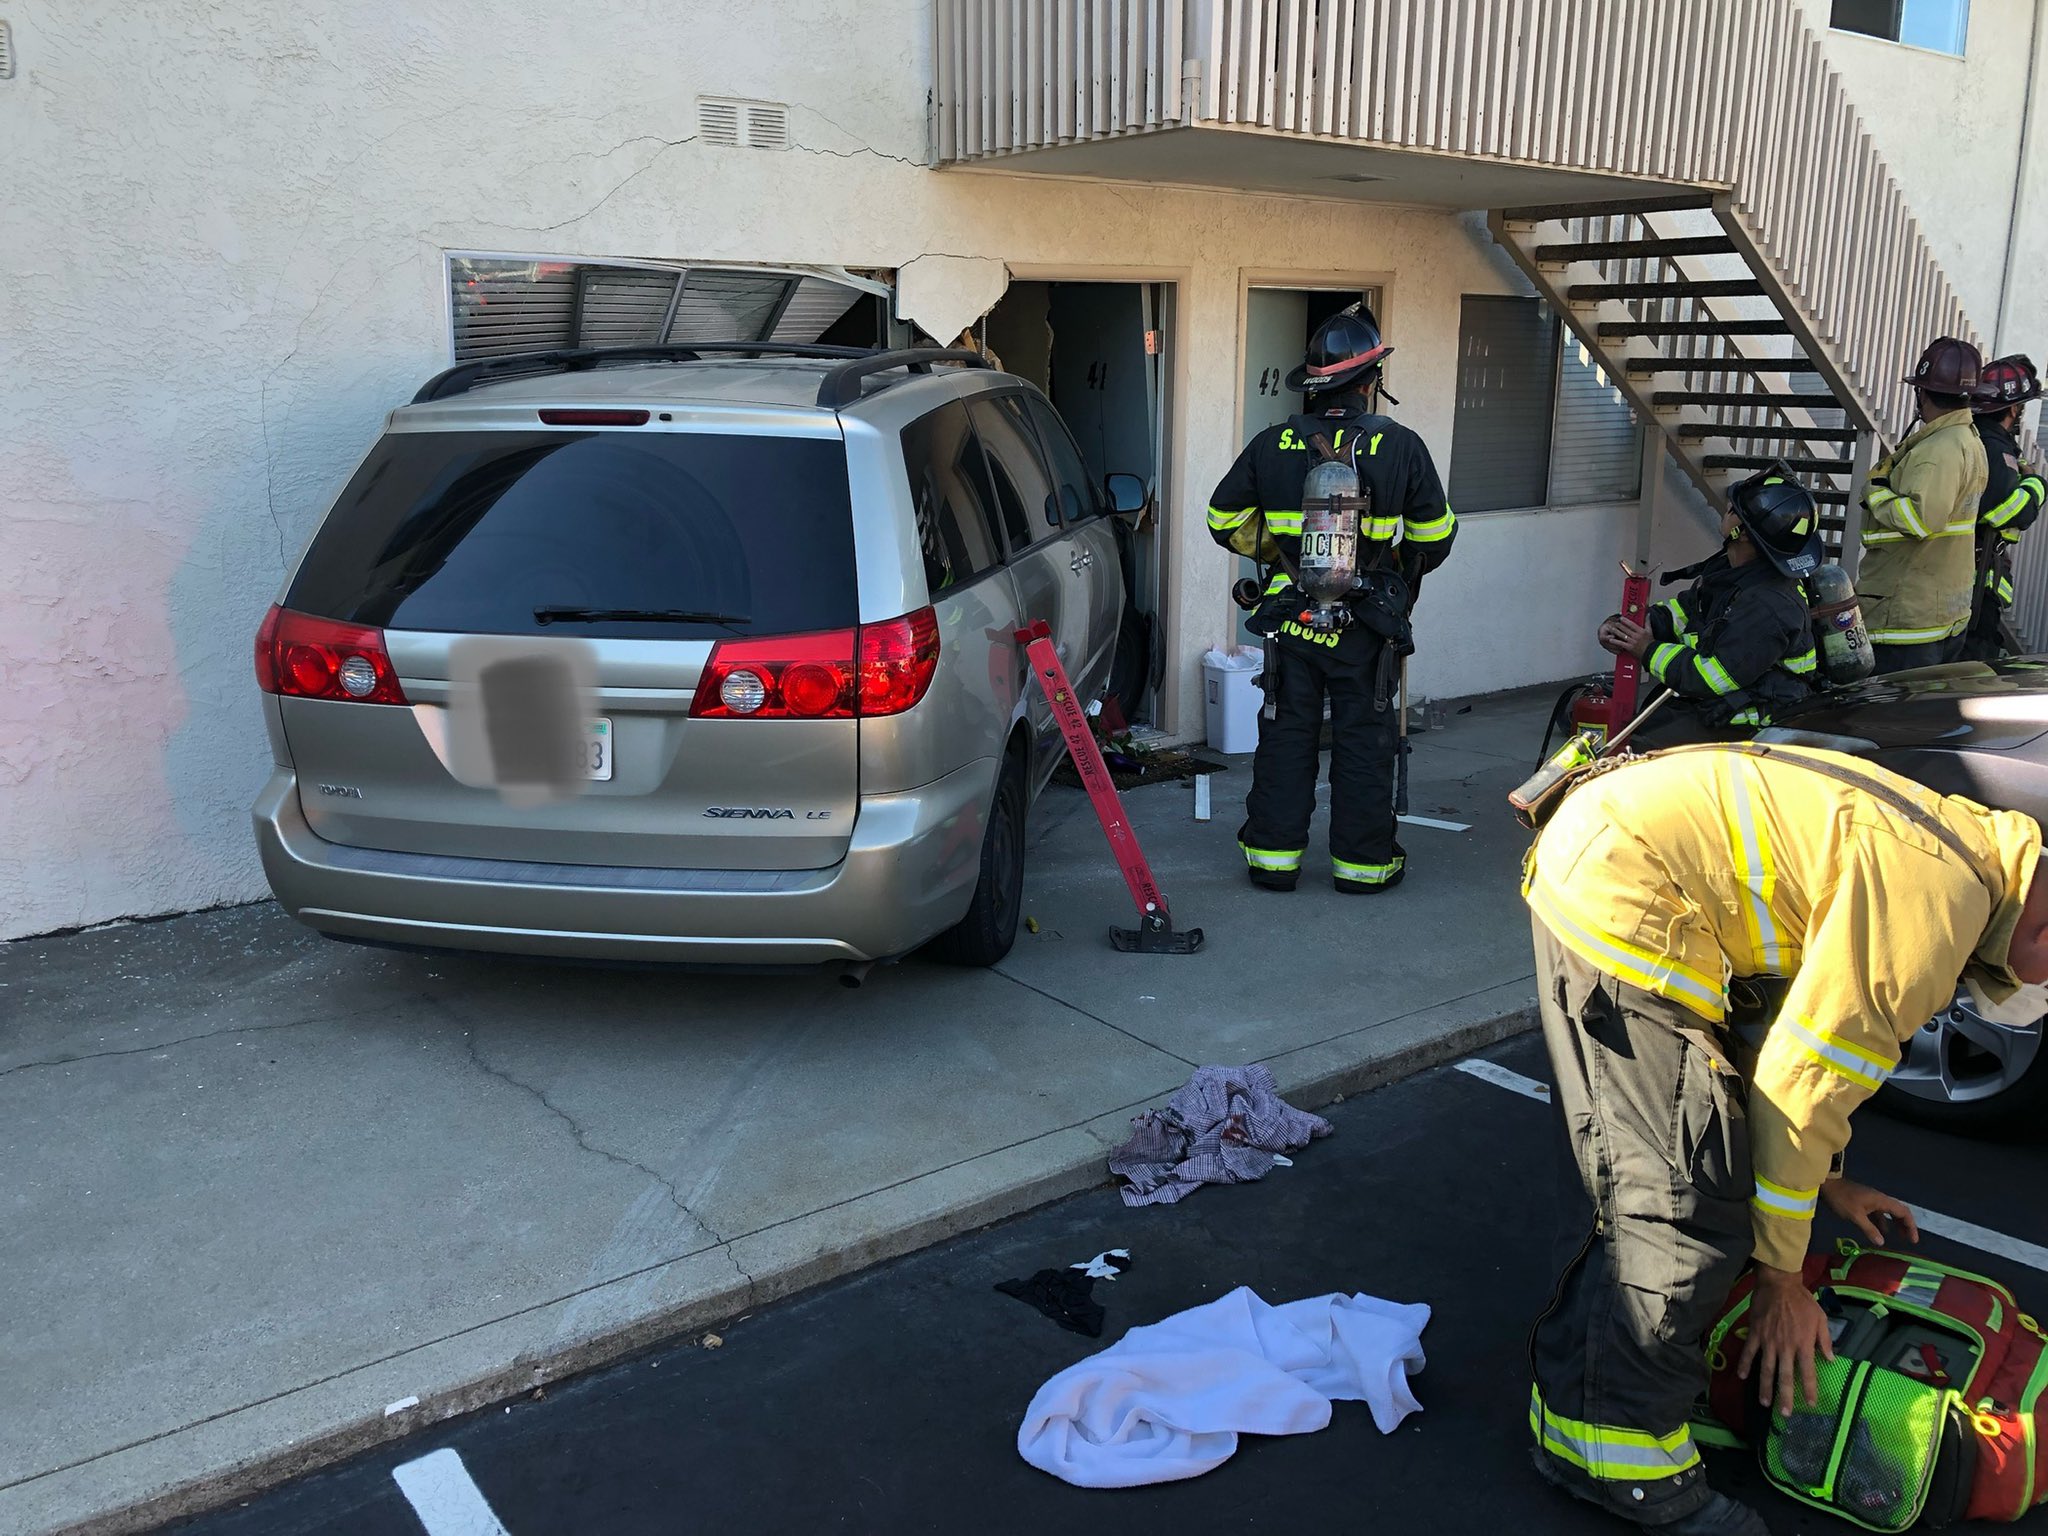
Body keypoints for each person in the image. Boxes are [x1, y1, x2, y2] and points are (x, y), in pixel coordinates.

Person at [1522, 743, 2048, 1534]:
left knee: (1690, 1162)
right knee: (1677, 1201)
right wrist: (1780, 1285)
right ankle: (1611, 1459)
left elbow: (1784, 1031)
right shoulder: (1936, 915)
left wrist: (1827, 1180)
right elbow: (1805, 1087)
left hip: (1636, 860)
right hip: (1626, 890)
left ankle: (1600, 1388)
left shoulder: (1975, 851)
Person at [1205, 308, 1457, 892]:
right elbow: (1434, 537)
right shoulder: (1401, 446)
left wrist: (1278, 555)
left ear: (1316, 387)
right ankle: (1363, 865)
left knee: (1286, 734)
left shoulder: (1272, 444)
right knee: (1365, 741)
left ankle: (1272, 859)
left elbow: (1223, 519)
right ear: (1370, 383)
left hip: (1291, 617)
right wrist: (1390, 575)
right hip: (1365, 626)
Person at [1597, 467, 1820, 743]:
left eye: (1733, 509)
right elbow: (1690, 611)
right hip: (1717, 704)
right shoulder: (1733, 569)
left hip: (1747, 723)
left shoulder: (1767, 605)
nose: (1726, 508)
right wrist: (1636, 625)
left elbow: (1711, 677)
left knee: (1645, 755)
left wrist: (1646, 649)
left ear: (1743, 534)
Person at [1858, 337, 1989, 672]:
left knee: (1885, 721)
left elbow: (1920, 520)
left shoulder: (1939, 449)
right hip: (1938, 614)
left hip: (1907, 620)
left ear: (1922, 393)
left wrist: (1876, 493)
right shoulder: (1968, 439)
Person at [1964, 354, 2045, 662]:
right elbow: (2006, 511)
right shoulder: (1995, 449)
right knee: (1972, 665)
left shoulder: (1978, 440)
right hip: (1975, 585)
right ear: (2013, 409)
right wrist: (2036, 486)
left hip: (1968, 578)